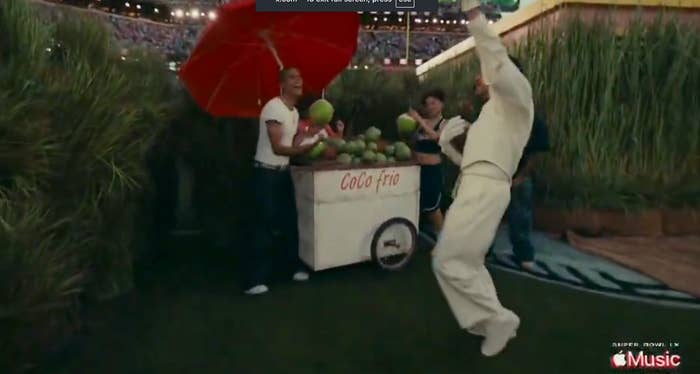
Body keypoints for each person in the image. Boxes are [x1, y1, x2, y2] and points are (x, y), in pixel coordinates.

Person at [431, 1, 534, 357]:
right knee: (468, 263)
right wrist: (448, 146)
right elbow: (472, 162)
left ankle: (496, 318)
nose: (480, 76)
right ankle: (489, 322)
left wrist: (474, 15)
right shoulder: (492, 114)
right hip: (477, 185)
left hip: (485, 189)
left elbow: (496, 58)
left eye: (484, 73)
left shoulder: (518, 99)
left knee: (446, 261)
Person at [244, 67, 318, 296]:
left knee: (289, 221)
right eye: (292, 78)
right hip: (266, 173)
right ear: (282, 84)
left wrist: (311, 134)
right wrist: (302, 149)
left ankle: (292, 268)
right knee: (263, 224)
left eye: (300, 77)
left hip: (283, 172)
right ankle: (254, 280)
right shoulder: (273, 107)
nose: (298, 81)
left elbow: (292, 139)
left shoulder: (293, 111)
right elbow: (278, 147)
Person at [408, 89, 448, 238]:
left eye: (434, 103)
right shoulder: (420, 124)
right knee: (419, 204)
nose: (430, 106)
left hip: (432, 171)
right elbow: (412, 142)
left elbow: (438, 138)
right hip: (417, 170)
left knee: (433, 208)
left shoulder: (445, 123)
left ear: (442, 104)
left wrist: (419, 120)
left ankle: (445, 239)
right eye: (427, 104)